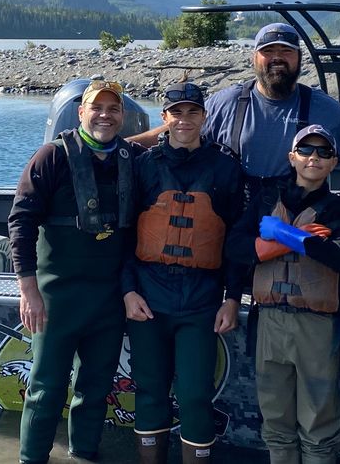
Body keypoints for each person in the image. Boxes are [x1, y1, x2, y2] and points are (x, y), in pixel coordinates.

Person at [8, 80, 144, 464]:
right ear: (80, 112)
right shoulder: (50, 157)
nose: (105, 115)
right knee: (45, 387)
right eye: (96, 108)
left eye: (113, 109)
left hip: (107, 298)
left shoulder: (132, 158)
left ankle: (83, 454)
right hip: (56, 297)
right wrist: (28, 290)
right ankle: (31, 459)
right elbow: (21, 221)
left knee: (96, 387)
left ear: (123, 115)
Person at [121, 82, 245, 464]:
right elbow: (124, 234)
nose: (185, 120)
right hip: (148, 297)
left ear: (204, 118)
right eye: (177, 113)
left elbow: (236, 237)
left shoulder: (225, 167)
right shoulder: (144, 166)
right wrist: (128, 290)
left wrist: (232, 296)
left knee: (194, 393)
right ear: (165, 119)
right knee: (150, 389)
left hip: (200, 299)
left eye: (193, 113)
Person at [129, 23, 340, 200]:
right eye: (268, 51)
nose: (277, 58)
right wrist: (119, 146)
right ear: (255, 58)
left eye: (285, 51)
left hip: (295, 224)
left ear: (299, 58)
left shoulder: (325, 108)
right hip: (235, 221)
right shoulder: (225, 102)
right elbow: (175, 130)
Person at [228, 125, 340, 464]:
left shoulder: (339, 209)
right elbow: (234, 247)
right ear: (292, 157)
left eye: (323, 153)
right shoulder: (267, 200)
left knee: (318, 421)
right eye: (306, 151)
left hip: (316, 324)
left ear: (334, 163)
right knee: (275, 420)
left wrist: (285, 234)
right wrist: (269, 244)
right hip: (269, 321)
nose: (314, 157)